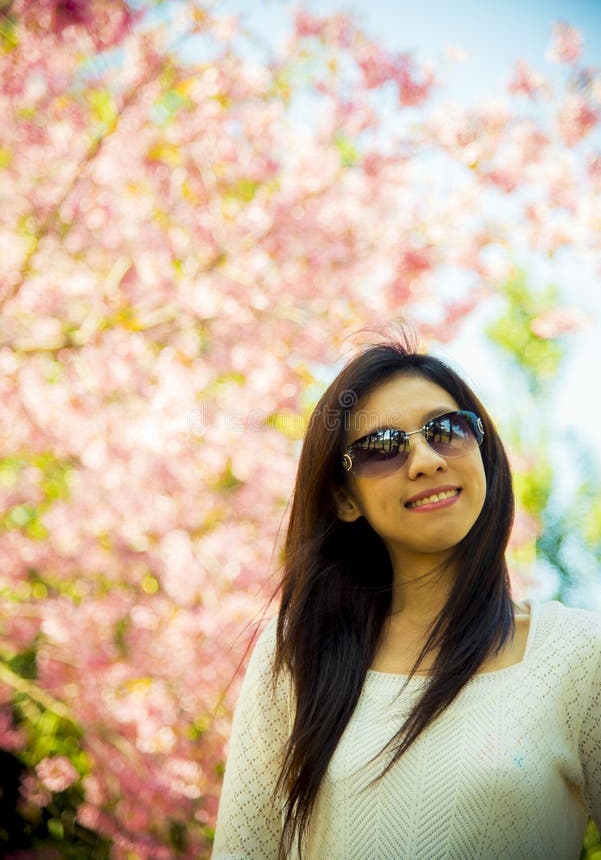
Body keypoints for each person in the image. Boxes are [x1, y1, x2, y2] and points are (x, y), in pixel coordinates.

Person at [211, 330, 601, 860]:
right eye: (382, 448)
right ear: (345, 498)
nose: (425, 460)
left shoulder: (578, 655)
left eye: (447, 430)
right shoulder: (297, 657)